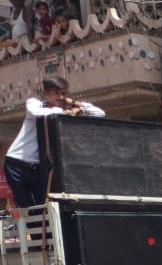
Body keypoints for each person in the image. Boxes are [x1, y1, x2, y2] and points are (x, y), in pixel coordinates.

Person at [4, 76, 104, 208]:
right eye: (56, 93)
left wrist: (75, 104)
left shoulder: (65, 109)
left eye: (63, 93)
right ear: (46, 93)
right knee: (26, 205)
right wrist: (64, 111)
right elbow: (37, 112)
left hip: (39, 167)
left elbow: (99, 113)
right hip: (16, 163)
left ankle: (43, 229)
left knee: (42, 205)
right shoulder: (35, 103)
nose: (60, 97)